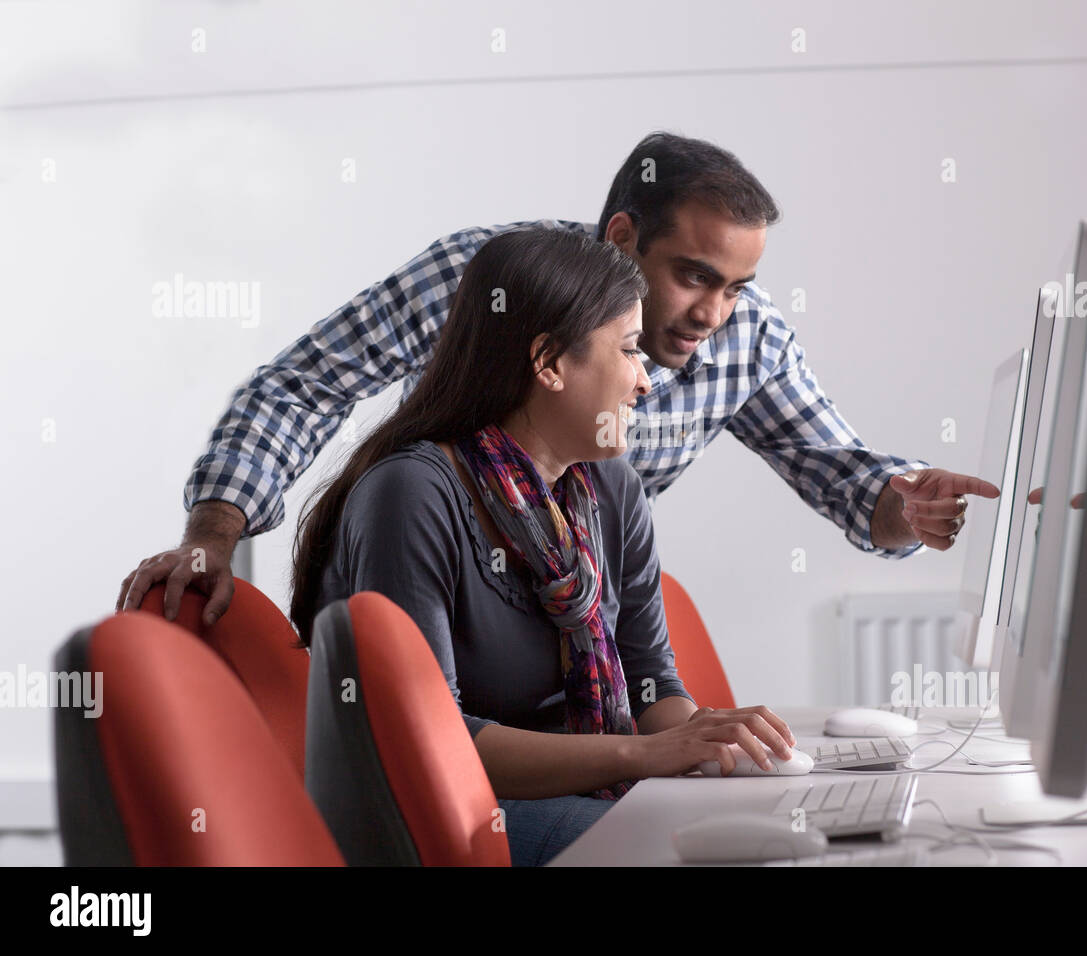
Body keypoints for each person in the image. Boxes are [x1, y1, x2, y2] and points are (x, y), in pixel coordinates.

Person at [118, 129, 997, 628]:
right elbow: (300, 386)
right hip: (429, 614)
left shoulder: (744, 342)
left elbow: (847, 477)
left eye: (737, 288)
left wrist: (904, 503)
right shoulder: (485, 280)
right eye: (694, 276)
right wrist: (215, 536)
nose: (714, 316)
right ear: (620, 239)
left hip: (564, 630)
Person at [296, 227, 799, 866]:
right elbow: (434, 744)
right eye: (629, 350)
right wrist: (645, 756)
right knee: (694, 852)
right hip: (442, 814)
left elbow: (651, 681)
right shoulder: (413, 494)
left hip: (584, 789)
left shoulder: (612, 486)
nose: (645, 382)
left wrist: (717, 751)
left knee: (760, 831)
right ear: (549, 362)